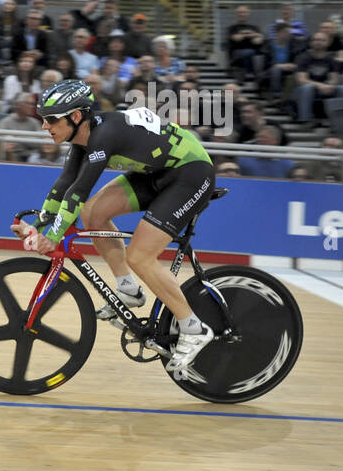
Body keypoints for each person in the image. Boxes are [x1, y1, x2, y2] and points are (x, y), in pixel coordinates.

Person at [13, 79, 217, 376]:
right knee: (92, 214)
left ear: (76, 116)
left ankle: (193, 327)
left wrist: (51, 237)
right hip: (155, 173)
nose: (45, 126)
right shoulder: (82, 138)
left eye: (51, 119)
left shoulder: (104, 135)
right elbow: (64, 184)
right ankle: (128, 289)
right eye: (43, 119)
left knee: (140, 257)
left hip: (190, 173)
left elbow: (79, 189)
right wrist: (40, 225)